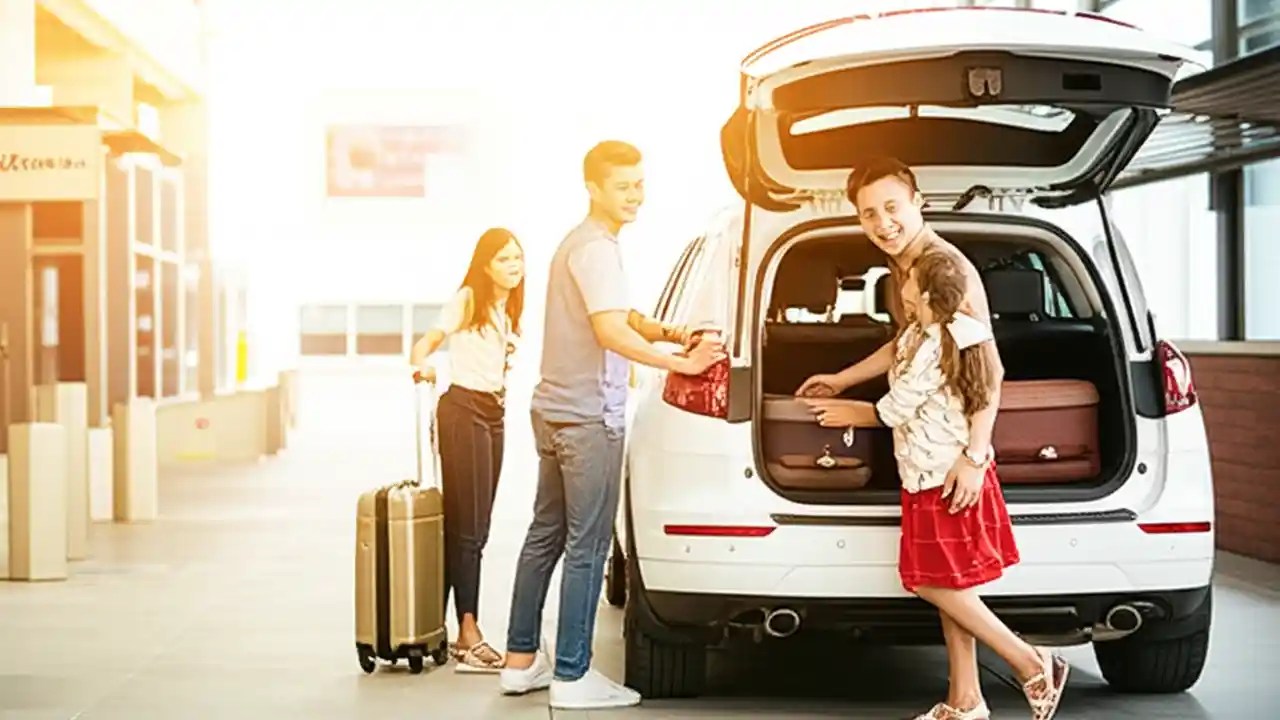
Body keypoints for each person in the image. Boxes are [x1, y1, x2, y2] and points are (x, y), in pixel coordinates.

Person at [798, 159, 1069, 720]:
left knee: (929, 580)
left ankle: (1031, 662)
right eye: (869, 213)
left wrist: (974, 457)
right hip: (925, 453)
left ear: (918, 201)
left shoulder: (947, 271)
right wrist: (844, 377)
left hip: (949, 458)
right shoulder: (906, 270)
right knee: (950, 579)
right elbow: (905, 343)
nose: (882, 222)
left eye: (892, 207)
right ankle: (965, 701)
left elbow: (987, 372)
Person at [498, 140, 724, 710]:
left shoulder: (579, 245)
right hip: (587, 422)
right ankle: (573, 673)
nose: (635, 196)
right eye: (623, 186)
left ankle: (520, 661)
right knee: (588, 545)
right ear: (593, 188)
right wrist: (683, 363)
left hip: (553, 411)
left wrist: (672, 333)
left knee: (544, 537)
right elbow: (610, 333)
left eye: (640, 184)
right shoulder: (596, 249)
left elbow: (623, 317)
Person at [409, 227, 525, 673]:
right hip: (462, 411)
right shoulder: (468, 299)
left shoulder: (507, 307)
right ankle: (468, 635)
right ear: (485, 265)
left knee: (472, 525)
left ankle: (440, 628)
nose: (513, 266)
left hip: (493, 413)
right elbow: (431, 340)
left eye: (517, 258)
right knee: (469, 529)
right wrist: (420, 362)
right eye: (503, 259)